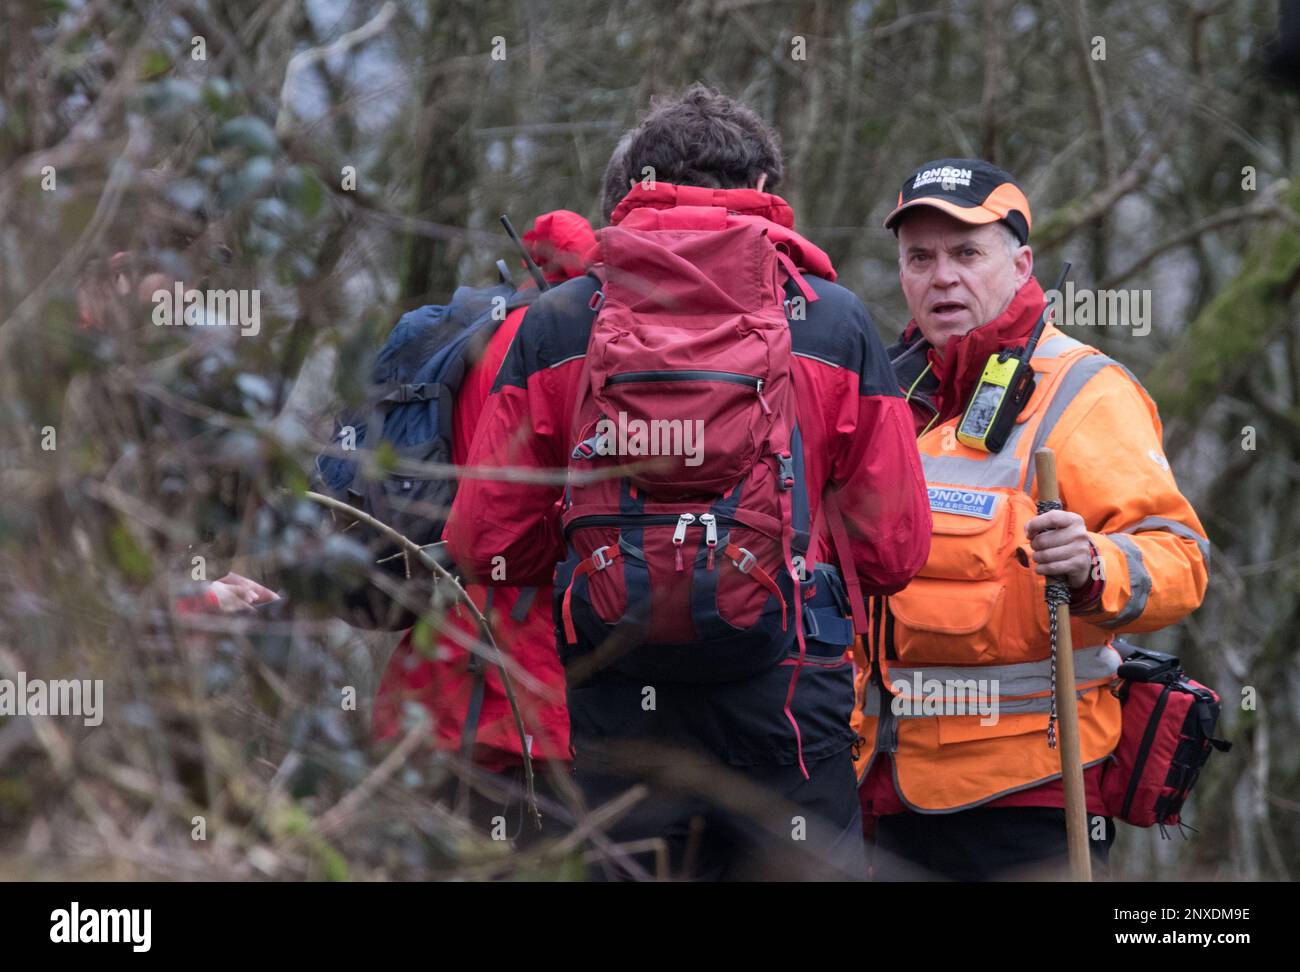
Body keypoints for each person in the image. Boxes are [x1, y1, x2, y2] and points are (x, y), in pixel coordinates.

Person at [445, 85, 931, 880]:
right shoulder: (834, 321)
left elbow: (487, 540)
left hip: (616, 700)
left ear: (629, 190)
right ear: (768, 193)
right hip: (787, 709)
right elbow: (894, 551)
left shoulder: (562, 320)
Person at [854, 158, 1210, 880]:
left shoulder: (1086, 391)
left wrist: (1092, 567)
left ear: (1021, 265)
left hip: (1029, 795)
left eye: (965, 253)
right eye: (920, 256)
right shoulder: (880, 395)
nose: (941, 276)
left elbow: (1181, 562)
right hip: (873, 791)